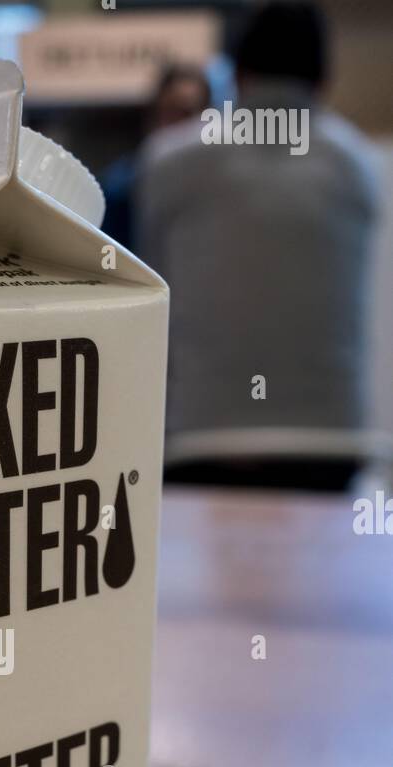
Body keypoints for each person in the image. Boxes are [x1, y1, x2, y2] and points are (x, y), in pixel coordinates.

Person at [137, 2, 381, 490]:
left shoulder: (169, 160)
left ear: (239, 72)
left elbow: (152, 296)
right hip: (333, 444)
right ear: (323, 81)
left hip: (199, 442)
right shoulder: (361, 167)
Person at [99, 64, 211, 253]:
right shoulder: (119, 186)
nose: (177, 126)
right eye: (170, 111)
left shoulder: (220, 190)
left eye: (186, 114)